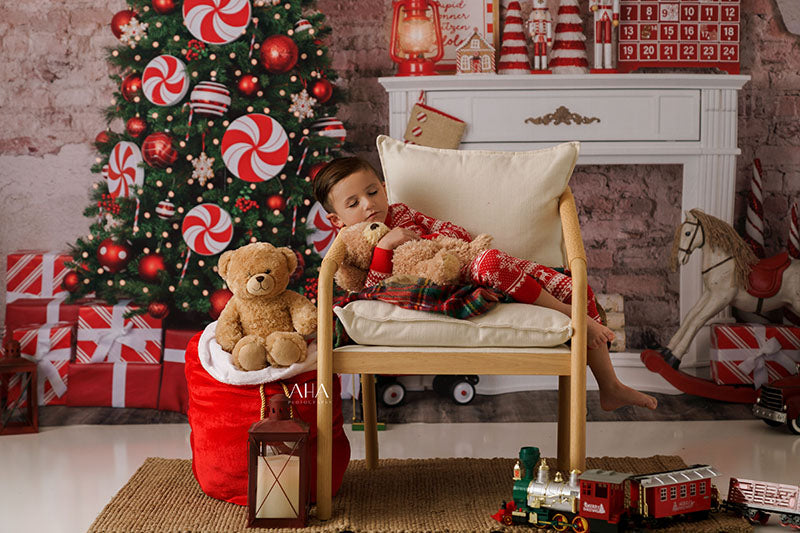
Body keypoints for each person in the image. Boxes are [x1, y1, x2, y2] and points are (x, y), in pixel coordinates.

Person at [313, 156, 657, 411]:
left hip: (467, 261)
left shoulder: (402, 214)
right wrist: (386, 248)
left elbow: (454, 232)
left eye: (373, 192)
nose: (369, 204)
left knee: (571, 284)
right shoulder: (350, 242)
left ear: (384, 188)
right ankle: (571, 316)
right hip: (443, 287)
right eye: (354, 203)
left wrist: (438, 241)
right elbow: (369, 292)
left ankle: (609, 384)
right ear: (336, 218)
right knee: (493, 263)